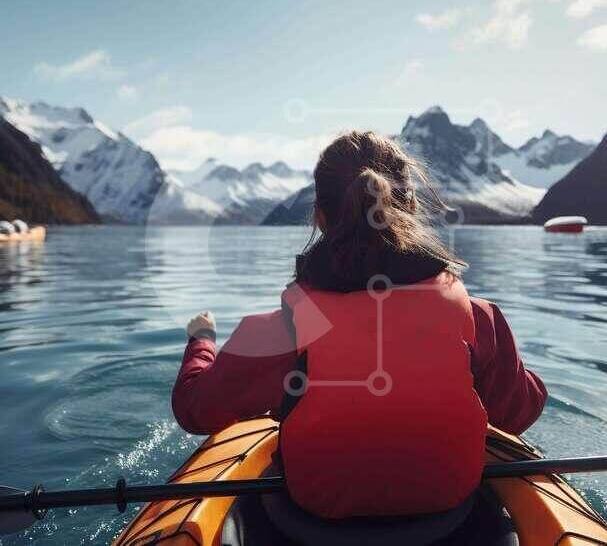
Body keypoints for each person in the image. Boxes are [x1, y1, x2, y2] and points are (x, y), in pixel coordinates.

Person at [173, 131, 547, 520]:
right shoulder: (480, 320)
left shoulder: (278, 334)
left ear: (319, 214)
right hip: (449, 511)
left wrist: (202, 339)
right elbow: (521, 412)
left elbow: (193, 409)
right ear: (412, 204)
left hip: (314, 513)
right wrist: (511, 365)